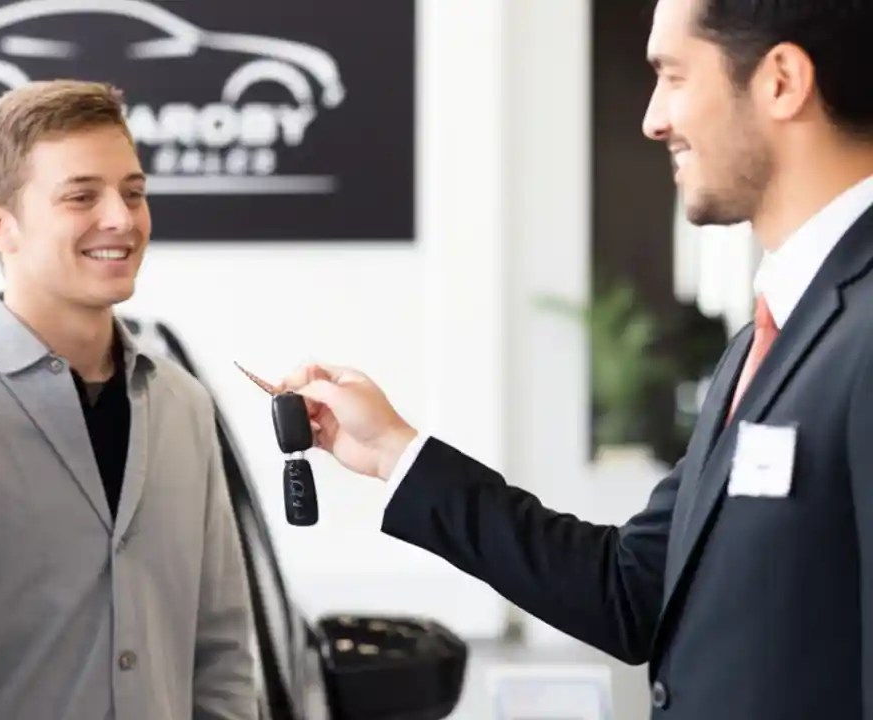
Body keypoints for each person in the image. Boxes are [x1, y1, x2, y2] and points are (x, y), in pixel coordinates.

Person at [277, 1, 873, 718]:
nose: (655, 119)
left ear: (780, 80)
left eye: (674, 77)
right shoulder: (766, 339)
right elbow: (631, 590)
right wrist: (395, 454)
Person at [0, 80, 257, 719]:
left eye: (133, 192)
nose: (122, 219)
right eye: (81, 196)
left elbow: (224, 655)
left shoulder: (184, 405)